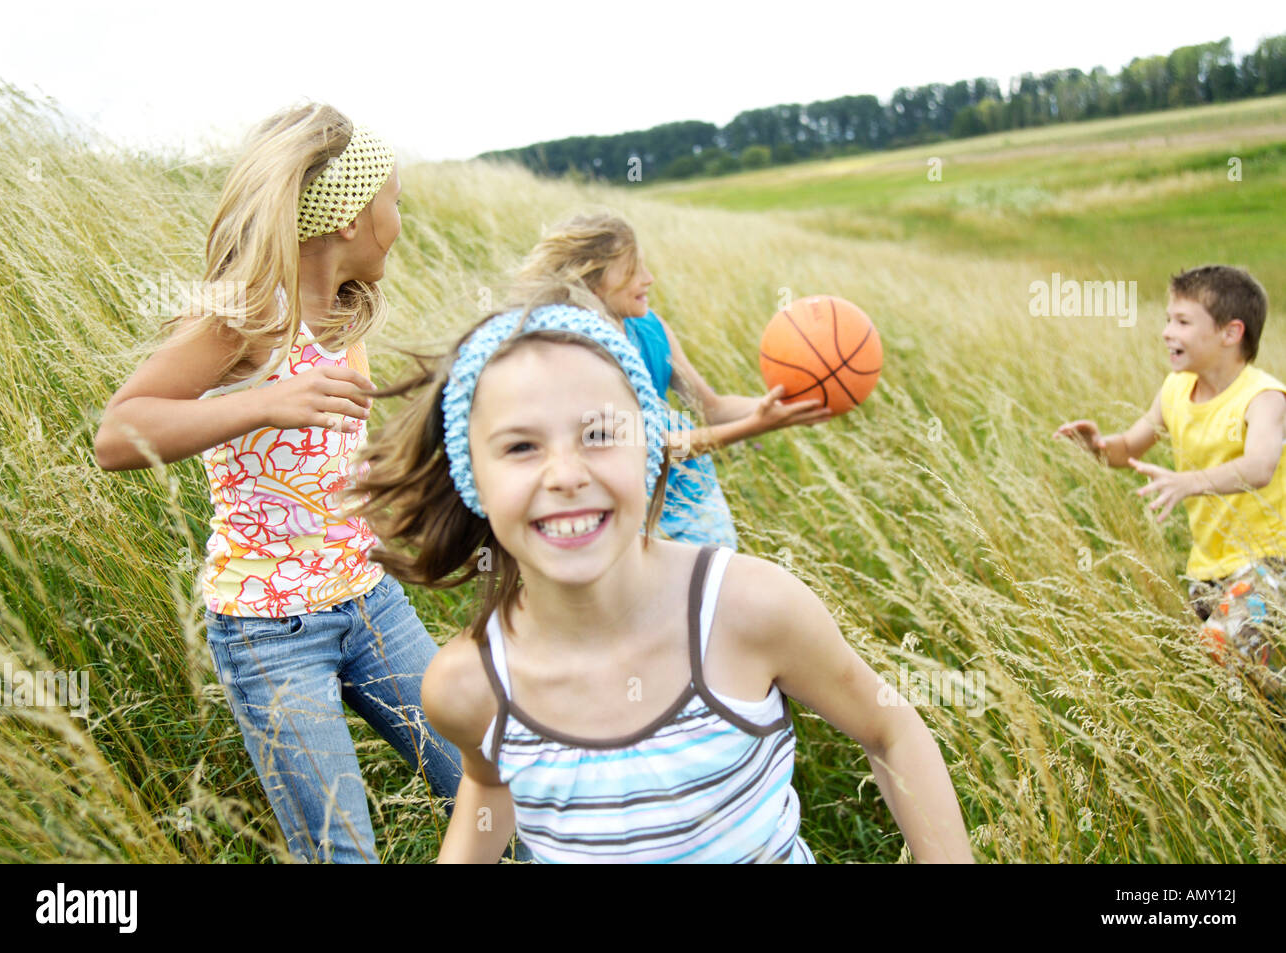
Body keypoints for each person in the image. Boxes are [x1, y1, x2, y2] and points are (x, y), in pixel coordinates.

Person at [348, 302, 973, 863]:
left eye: (599, 435)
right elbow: (488, 789)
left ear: (651, 446)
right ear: (471, 476)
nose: (565, 473)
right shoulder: (469, 685)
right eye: (520, 447)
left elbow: (889, 727)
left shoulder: (749, 609)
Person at [94, 103, 462, 862]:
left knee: (489, 786)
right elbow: (116, 435)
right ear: (350, 219)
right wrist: (262, 401)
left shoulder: (344, 318)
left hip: (369, 600)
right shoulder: (245, 316)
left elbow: (325, 469)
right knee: (342, 853)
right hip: (271, 631)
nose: (401, 219)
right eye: (394, 201)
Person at [508, 211, 832, 549]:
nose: (648, 279)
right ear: (591, 279)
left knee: (711, 600)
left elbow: (712, 408)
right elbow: (647, 448)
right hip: (622, 519)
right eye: (634, 270)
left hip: (695, 504)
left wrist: (790, 404)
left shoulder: (652, 328)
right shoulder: (574, 356)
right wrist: (755, 427)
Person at [1055, 265, 1286, 695]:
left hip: (1271, 561)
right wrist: (1098, 448)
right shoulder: (1176, 390)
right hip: (1208, 567)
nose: (1166, 332)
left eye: (1182, 321)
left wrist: (1190, 481)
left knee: (1221, 644)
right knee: (1220, 680)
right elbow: (1130, 448)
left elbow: (1260, 467)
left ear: (1230, 333)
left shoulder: (1264, 398)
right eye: (1167, 320)